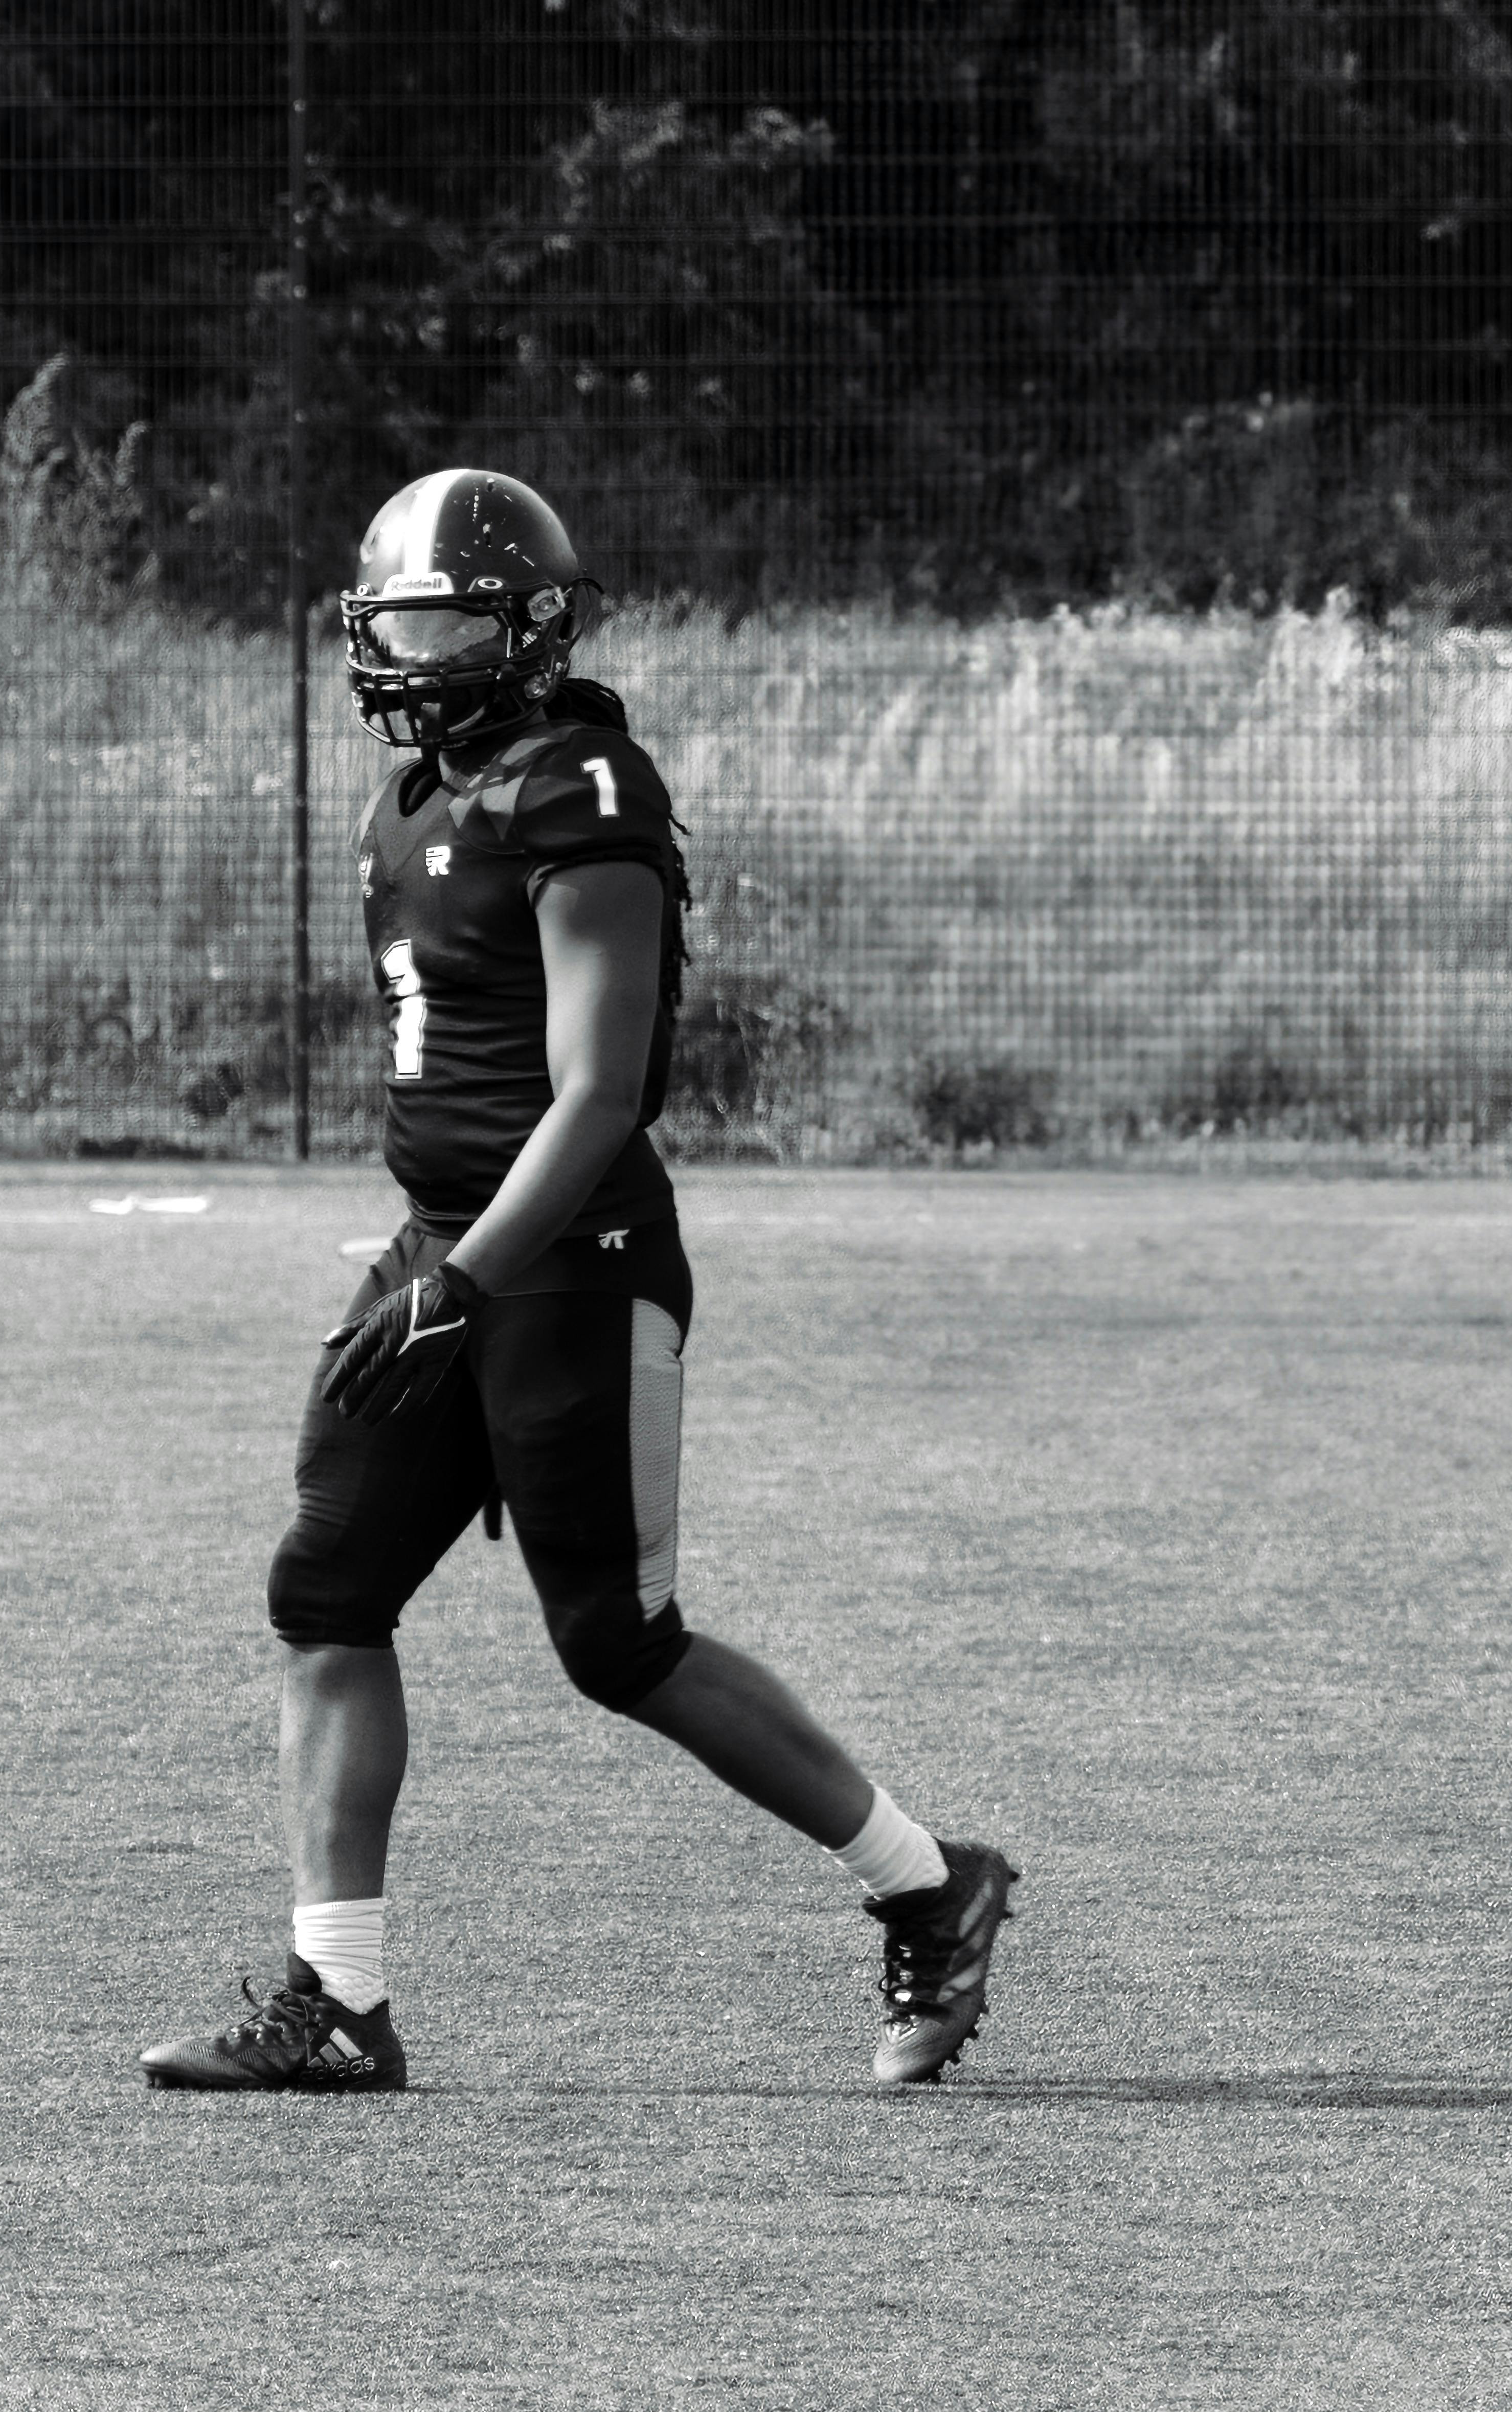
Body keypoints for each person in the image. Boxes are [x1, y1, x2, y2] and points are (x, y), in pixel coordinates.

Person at [142, 465, 1015, 2095]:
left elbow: (601, 1093)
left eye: (446, 624)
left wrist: (468, 1276)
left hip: (573, 1265)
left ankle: (927, 1881)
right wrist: (428, 1259)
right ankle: (340, 2001)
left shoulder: (582, 788)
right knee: (326, 1596)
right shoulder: (411, 800)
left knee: (618, 1642)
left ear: (532, 631)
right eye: (396, 622)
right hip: (446, 1252)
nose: (411, 655)